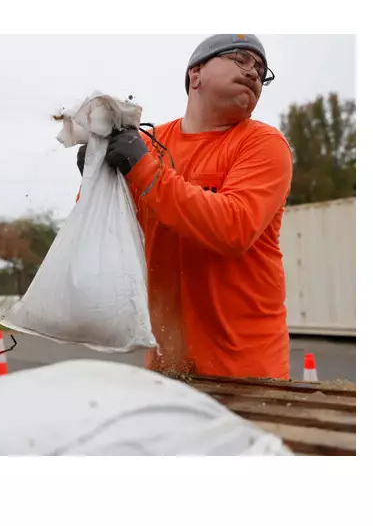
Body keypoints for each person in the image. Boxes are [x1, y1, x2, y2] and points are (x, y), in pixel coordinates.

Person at [78, 34, 293, 379]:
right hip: (168, 368)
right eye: (240, 59)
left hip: (248, 371)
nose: (253, 72)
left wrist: (142, 168)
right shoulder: (148, 144)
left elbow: (233, 228)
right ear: (195, 75)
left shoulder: (263, 144)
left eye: (261, 69)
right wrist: (95, 181)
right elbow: (107, 230)